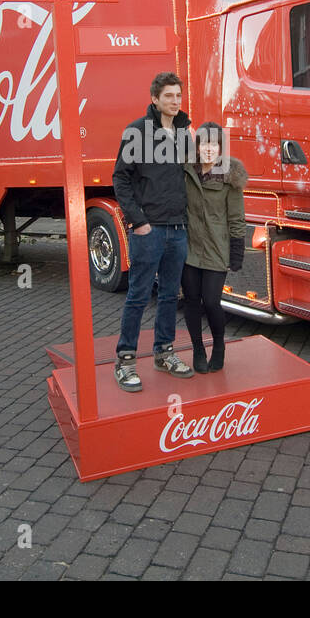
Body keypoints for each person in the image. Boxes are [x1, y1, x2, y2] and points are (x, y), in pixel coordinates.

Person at [112, 72, 196, 391]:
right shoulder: (137, 132)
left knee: (170, 295)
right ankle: (125, 360)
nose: (176, 101)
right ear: (155, 99)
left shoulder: (184, 133)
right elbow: (120, 178)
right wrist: (138, 220)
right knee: (137, 296)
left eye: (178, 96)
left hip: (178, 228)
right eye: (169, 96)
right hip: (149, 230)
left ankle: (164, 352)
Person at [182, 122, 247, 373]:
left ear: (220, 146)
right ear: (197, 146)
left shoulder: (230, 174)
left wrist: (237, 251)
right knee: (191, 301)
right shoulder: (186, 171)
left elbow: (236, 217)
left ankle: (219, 346)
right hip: (189, 248)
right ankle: (198, 349)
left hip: (217, 249)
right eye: (204, 143)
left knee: (211, 302)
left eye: (214, 143)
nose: (209, 149)